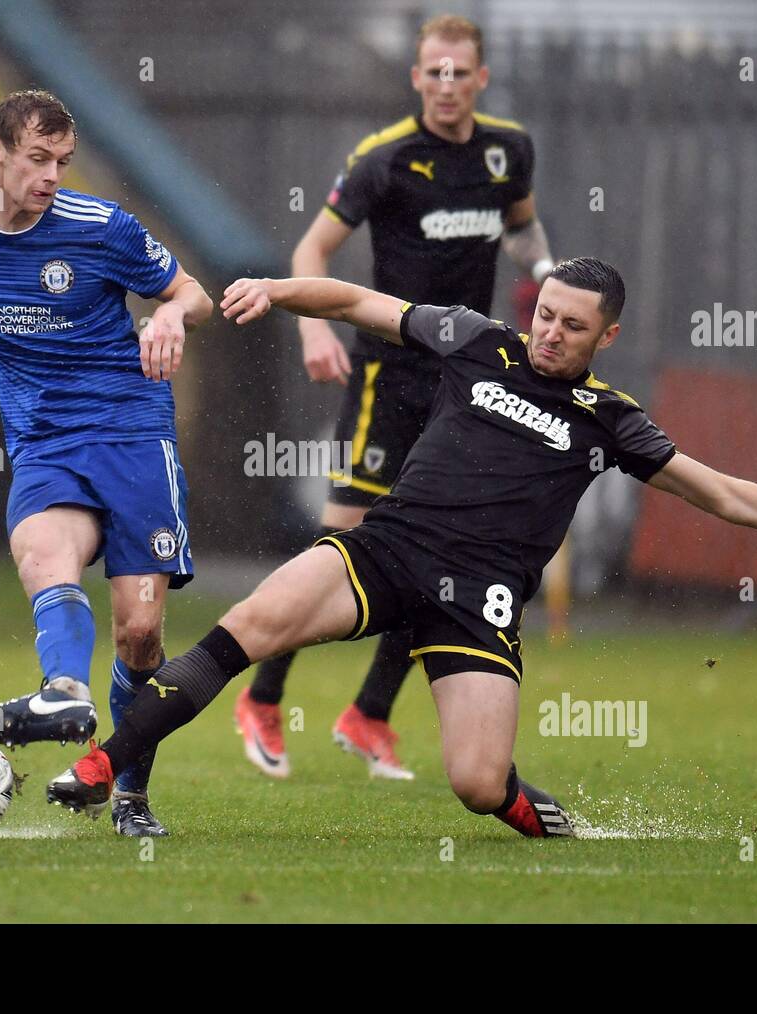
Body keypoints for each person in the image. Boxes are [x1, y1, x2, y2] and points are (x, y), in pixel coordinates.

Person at [44, 259, 757, 840]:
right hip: (386, 549)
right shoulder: (477, 340)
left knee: (477, 786)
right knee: (242, 628)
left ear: (605, 337)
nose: (550, 333)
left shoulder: (610, 419)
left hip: (480, 599)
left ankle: (528, 808)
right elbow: (354, 304)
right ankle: (99, 770)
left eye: (573, 326)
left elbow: (719, 491)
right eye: (547, 316)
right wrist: (278, 287)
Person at [236, 13, 556, 781]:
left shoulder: (508, 150)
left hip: (465, 379)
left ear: (481, 80)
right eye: (433, 72)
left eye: (461, 73)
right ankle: (264, 696)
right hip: (389, 372)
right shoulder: (384, 160)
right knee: (343, 543)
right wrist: (314, 330)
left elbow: (524, 229)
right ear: (417, 79)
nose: (447, 85)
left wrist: (547, 276)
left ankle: (369, 713)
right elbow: (312, 249)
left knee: (440, 551)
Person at [0, 90, 212, 837]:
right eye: (37, 159)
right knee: (44, 553)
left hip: (133, 433)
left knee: (140, 632)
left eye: (61, 162)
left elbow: (190, 291)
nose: (50, 176)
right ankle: (63, 689)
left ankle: (129, 794)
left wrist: (169, 313)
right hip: (44, 441)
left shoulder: (102, 227)